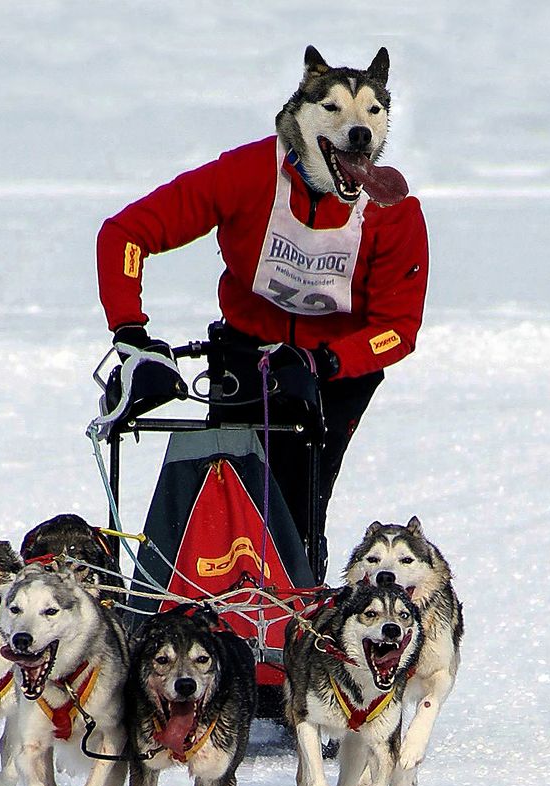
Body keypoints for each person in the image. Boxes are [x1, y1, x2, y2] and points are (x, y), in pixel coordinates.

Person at [96, 46, 428, 583]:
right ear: (300, 115)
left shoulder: (393, 213)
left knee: (296, 507)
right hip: (246, 354)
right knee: (225, 497)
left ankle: (292, 617)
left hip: (334, 374)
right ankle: (202, 619)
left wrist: (326, 363)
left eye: (370, 112)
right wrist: (132, 334)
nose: (356, 126)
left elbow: (397, 330)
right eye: (334, 110)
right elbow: (125, 234)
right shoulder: (248, 174)